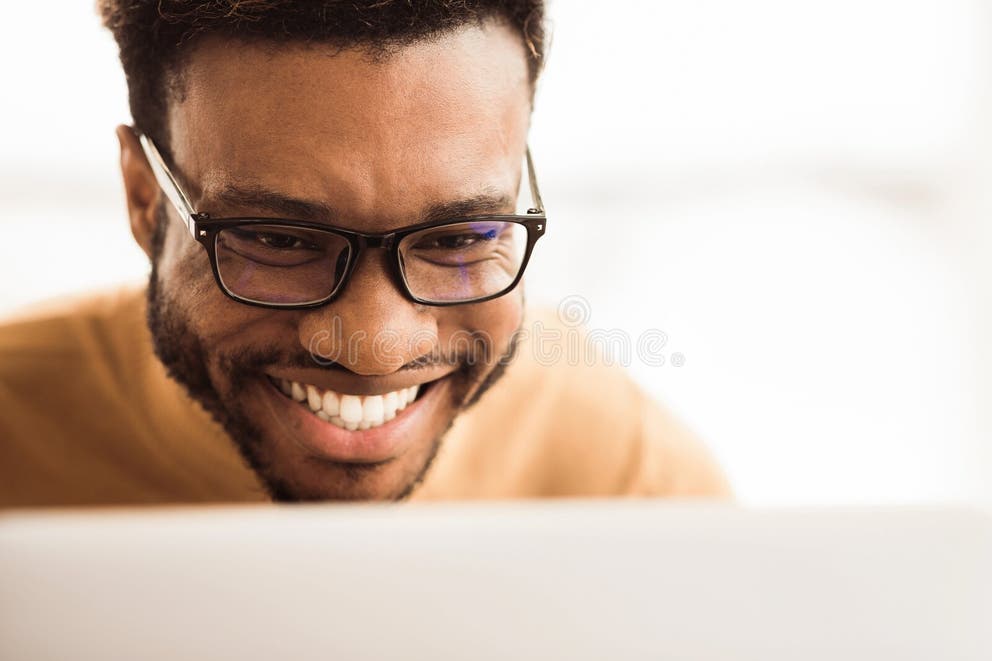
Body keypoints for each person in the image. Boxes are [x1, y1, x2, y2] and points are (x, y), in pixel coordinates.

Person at [0, 0, 730, 507]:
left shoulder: (621, 475)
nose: (377, 346)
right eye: (280, 240)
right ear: (143, 198)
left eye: (456, 237)